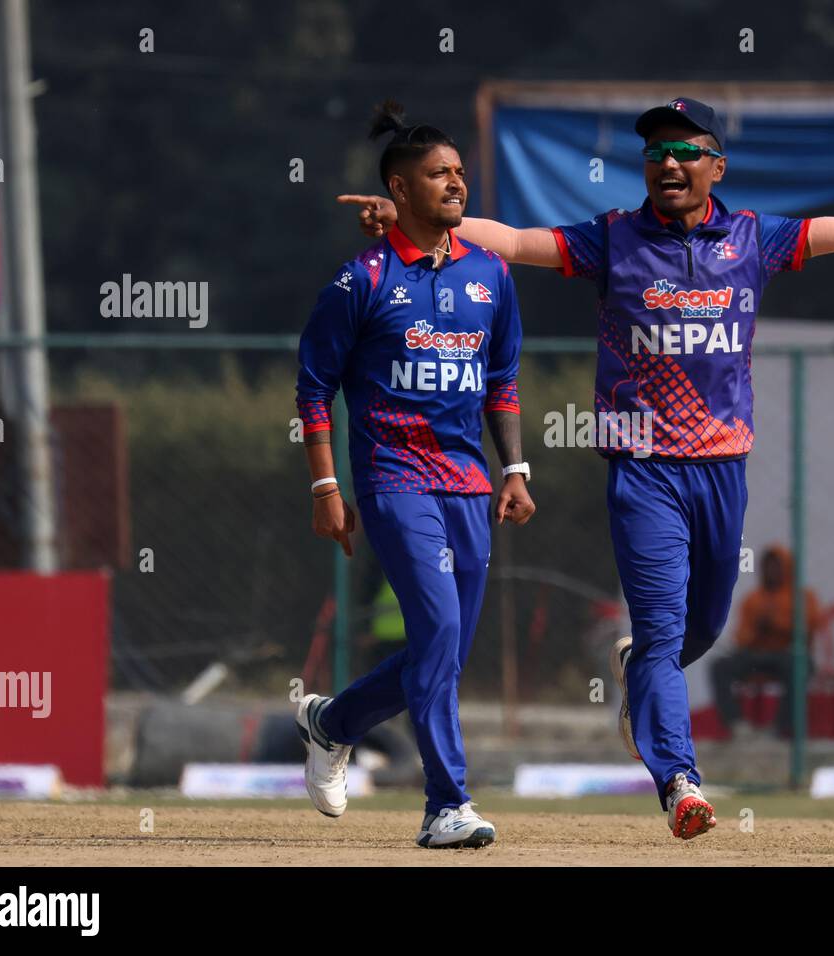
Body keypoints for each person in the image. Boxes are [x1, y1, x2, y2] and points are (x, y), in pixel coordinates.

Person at [340, 97, 834, 838]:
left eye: (684, 151)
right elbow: (515, 239)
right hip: (644, 469)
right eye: (655, 152)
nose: (667, 163)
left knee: (704, 625)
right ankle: (679, 780)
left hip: (723, 470)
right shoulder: (613, 241)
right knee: (663, 634)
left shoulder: (753, 239)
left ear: (716, 167)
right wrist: (420, 221)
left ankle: (642, 675)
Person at [294, 102, 535, 850]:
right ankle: (446, 805)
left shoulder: (491, 273)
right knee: (435, 632)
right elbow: (312, 387)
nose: (457, 184)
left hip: (468, 484)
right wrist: (327, 488)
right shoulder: (360, 279)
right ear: (400, 190)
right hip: (396, 482)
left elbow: (502, 381)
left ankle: (332, 722)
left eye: (461, 172)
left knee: (444, 653)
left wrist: (516, 469)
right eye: (439, 174)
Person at [710, 545, 820, 740]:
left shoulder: (802, 597)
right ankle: (737, 725)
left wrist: (778, 624)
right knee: (720, 666)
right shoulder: (753, 599)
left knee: (799, 665)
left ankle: (781, 728)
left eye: (776, 566)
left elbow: (810, 628)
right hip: (756, 655)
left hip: (786, 654)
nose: (772, 571)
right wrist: (756, 629)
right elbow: (741, 638)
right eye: (768, 566)